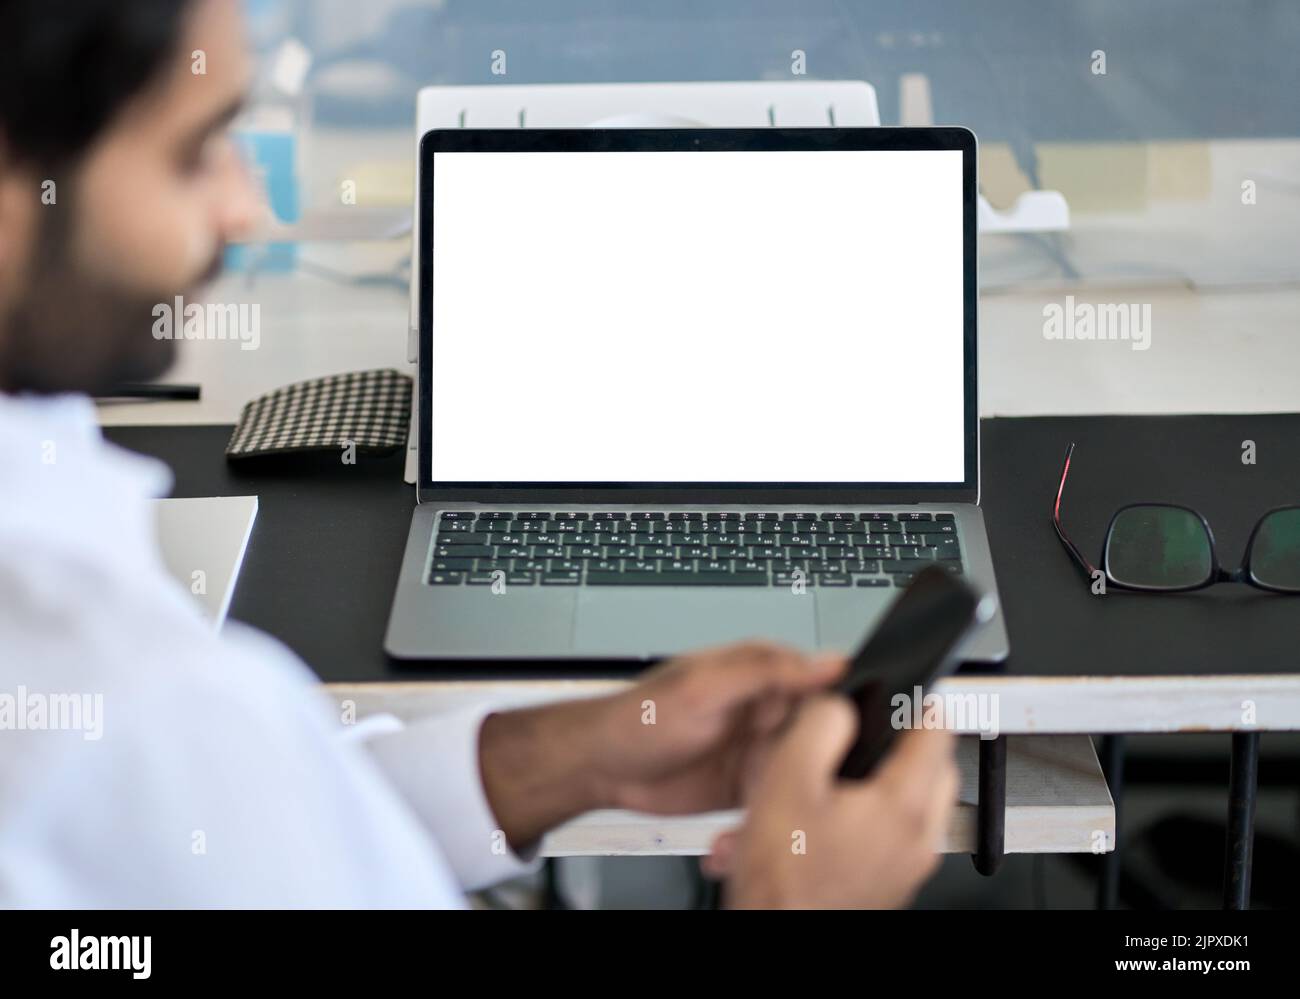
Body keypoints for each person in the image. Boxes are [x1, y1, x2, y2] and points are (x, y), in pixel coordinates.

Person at [0, 0, 958, 908]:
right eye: (193, 152)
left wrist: (583, 752)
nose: (246, 206)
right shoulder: (126, 699)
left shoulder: (70, 543)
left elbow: (261, 818)